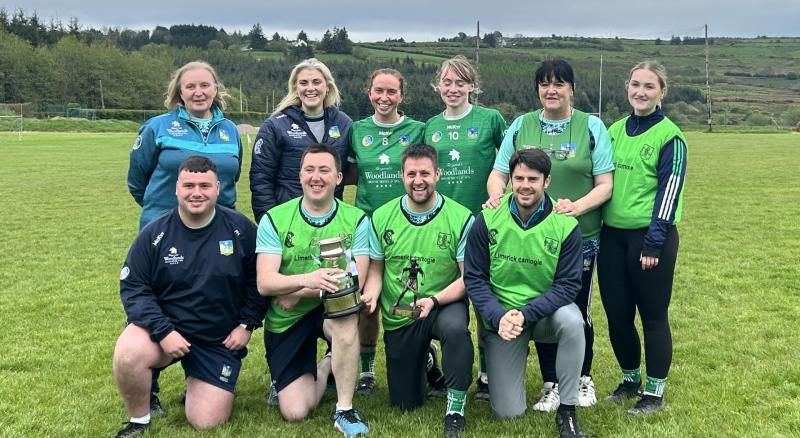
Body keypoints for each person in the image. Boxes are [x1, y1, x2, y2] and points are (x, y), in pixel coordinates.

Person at [485, 59, 613, 410]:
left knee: (575, 311)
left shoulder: (591, 126)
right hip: (527, 237)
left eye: (559, 84)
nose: (551, 90)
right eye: (544, 84)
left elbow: (605, 185)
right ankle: (551, 382)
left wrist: (577, 207)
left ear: (572, 89)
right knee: (537, 302)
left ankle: (582, 378)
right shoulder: (521, 125)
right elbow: (499, 173)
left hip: (578, 237)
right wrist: (496, 195)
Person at [113, 156, 266, 438]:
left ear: (218, 188)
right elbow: (134, 289)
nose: (196, 193)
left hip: (217, 339)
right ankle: (140, 419)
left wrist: (247, 324)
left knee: (207, 421)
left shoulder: (240, 229)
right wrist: (163, 330)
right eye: (189, 185)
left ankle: (198, 380)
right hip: (166, 332)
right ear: (176, 189)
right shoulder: (154, 234)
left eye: (205, 186)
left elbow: (259, 279)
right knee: (128, 351)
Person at [464, 148, 587, 438]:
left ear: (547, 181)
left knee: (573, 321)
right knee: (508, 412)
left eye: (533, 178)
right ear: (510, 180)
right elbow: (475, 278)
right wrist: (499, 316)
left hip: (543, 315)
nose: (525, 185)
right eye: (518, 178)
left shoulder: (565, 224)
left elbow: (568, 285)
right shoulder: (487, 219)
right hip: (504, 321)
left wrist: (526, 313)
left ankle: (567, 410)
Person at [256, 144, 372, 437]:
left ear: (339, 178)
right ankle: (329, 364)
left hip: (328, 309)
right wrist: (310, 279)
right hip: (288, 319)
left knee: (346, 316)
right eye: (309, 170)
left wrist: (298, 288)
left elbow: (354, 281)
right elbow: (266, 283)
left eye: (324, 170)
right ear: (300, 176)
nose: (316, 177)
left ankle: (344, 409)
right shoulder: (275, 219)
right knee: (295, 412)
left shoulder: (357, 219)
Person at [363, 143, 474, 438]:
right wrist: (371, 295)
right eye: (411, 173)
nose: (418, 180)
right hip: (402, 313)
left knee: (456, 330)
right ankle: (426, 360)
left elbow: (467, 278)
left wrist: (435, 299)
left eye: (425, 173)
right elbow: (375, 270)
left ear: (437, 174)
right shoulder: (382, 216)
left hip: (442, 303)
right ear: (402, 176)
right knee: (404, 404)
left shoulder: (461, 217)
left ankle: (455, 409)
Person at [598, 61, 687, 415]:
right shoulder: (615, 130)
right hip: (612, 237)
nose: (641, 92)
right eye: (636, 84)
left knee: (652, 315)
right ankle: (629, 380)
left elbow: (669, 193)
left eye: (649, 86)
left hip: (652, 240)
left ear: (661, 92)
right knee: (618, 315)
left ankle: (654, 393)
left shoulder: (671, 136)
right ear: (627, 87)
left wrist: (653, 242)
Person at [424, 55, 507, 400]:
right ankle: (433, 364)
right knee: (444, 299)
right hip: (445, 227)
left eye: (460, 82)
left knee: (488, 299)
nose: (453, 88)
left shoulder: (491, 120)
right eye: (447, 81)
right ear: (438, 86)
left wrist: (500, 199)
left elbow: (508, 164)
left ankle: (489, 376)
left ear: (472, 85)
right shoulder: (429, 126)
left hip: (485, 225)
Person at [344, 68, 427, 395]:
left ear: (401, 96)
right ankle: (366, 369)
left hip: (409, 224)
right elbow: (350, 174)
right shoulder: (356, 130)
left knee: (409, 288)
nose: (384, 97)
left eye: (391, 92)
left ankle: (419, 354)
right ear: (369, 92)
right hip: (368, 225)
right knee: (368, 298)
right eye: (379, 90)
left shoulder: (417, 130)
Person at [128, 61, 242, 231]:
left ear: (215, 89)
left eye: (205, 85)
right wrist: (160, 209)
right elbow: (137, 180)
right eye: (190, 86)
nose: (198, 93)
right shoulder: (157, 127)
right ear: (180, 92)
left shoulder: (230, 130)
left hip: (219, 228)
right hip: (163, 226)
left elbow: (232, 177)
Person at [250, 57, 353, 224]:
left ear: (327, 87)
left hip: (332, 221)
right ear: (295, 88)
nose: (310, 88)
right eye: (304, 83)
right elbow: (261, 178)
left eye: (316, 82)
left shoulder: (344, 124)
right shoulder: (275, 125)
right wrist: (267, 221)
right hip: (288, 220)